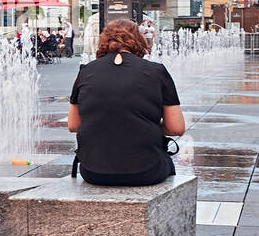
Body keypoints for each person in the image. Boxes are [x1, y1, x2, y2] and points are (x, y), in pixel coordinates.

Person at [68, 20, 184, 186]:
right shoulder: (157, 71)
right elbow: (176, 128)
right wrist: (142, 124)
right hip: (147, 170)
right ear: (139, 40)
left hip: (93, 171)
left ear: (103, 41)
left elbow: (73, 125)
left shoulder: (86, 71)